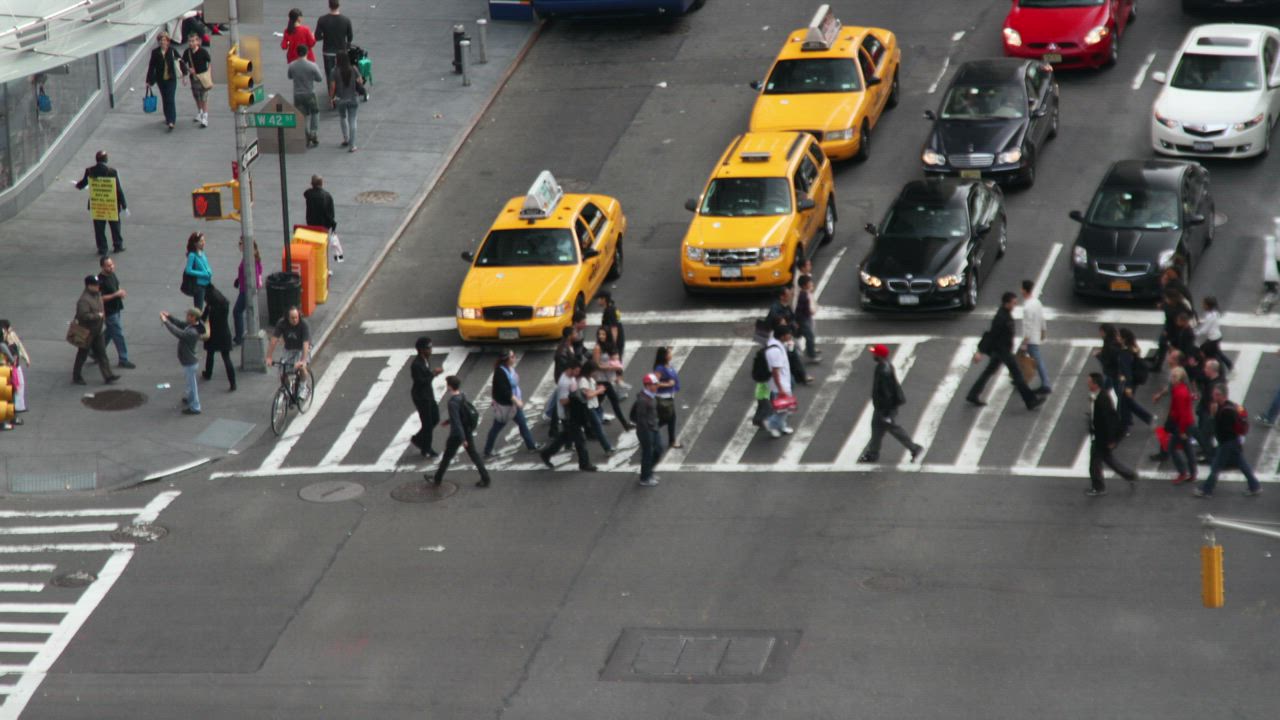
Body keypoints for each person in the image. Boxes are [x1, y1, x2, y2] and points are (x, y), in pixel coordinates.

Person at [967, 292, 1045, 411]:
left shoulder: (1005, 314)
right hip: (1003, 351)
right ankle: (1031, 400)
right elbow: (991, 335)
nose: (1015, 305)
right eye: (1013, 303)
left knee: (988, 372)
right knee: (1018, 375)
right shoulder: (1001, 317)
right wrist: (980, 351)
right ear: (1007, 303)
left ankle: (973, 394)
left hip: (1001, 351)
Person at [1195, 384, 1262, 498]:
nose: (1213, 397)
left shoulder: (1226, 411)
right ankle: (1254, 485)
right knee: (1241, 464)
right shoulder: (1229, 406)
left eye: (1216, 394)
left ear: (1222, 395)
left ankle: (1207, 489)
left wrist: (1213, 415)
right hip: (1233, 442)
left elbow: (1221, 429)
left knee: (1216, 467)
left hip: (1227, 443)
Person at [859, 344, 924, 463]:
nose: (872, 354)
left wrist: (886, 413)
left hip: (885, 408)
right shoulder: (884, 366)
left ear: (879, 355)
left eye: (874, 353)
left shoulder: (883, 370)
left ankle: (914, 448)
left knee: (893, 428)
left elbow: (886, 394)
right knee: (876, 428)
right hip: (882, 407)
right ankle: (872, 454)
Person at [431, 376, 492, 488]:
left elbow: (457, 421)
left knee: (447, 456)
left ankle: (437, 479)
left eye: (447, 384)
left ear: (449, 386)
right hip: (467, 430)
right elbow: (462, 414)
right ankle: (485, 477)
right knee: (473, 454)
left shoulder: (452, 402)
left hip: (457, 435)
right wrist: (449, 421)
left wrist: (462, 438)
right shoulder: (462, 395)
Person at [1084, 372, 1136, 496]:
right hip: (1101, 437)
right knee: (1108, 460)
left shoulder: (1102, 400)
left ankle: (1099, 487)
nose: (1087, 383)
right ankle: (1130, 475)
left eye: (1090, 382)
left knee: (1094, 464)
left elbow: (1109, 422)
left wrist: (1112, 440)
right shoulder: (1099, 396)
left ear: (1095, 384)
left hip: (1102, 438)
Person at [539, 360, 596, 471]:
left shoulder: (570, 377)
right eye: (577, 371)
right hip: (569, 415)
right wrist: (577, 398)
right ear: (570, 369)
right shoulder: (565, 383)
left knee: (565, 437)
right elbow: (563, 401)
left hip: (573, 413)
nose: (578, 373)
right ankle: (584, 464)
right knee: (580, 440)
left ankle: (546, 453)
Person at [483, 349, 539, 457]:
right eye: (512, 356)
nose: (514, 358)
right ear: (507, 360)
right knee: (497, 427)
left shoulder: (508, 369)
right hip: (506, 406)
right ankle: (487, 450)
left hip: (512, 404)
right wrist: (517, 401)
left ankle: (531, 446)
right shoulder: (500, 373)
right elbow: (505, 391)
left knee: (522, 424)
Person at [74, 151, 127, 256]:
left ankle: (102, 248)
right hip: (111, 203)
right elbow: (118, 189)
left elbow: (83, 184)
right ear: (105, 159)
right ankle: (117, 245)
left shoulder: (89, 170)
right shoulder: (112, 171)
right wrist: (124, 203)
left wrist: (77, 185)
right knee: (115, 225)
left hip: (97, 204)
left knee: (99, 228)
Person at [72, 276, 119, 386]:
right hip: (87, 332)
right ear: (89, 286)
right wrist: (97, 316)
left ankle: (108, 375)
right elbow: (83, 316)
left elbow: (101, 305)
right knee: (82, 355)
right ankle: (76, 376)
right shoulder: (83, 301)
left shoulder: (97, 294)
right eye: (96, 285)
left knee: (102, 354)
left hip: (98, 331)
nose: (99, 286)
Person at [160, 308, 204, 415]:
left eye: (189, 315)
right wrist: (169, 316)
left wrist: (165, 321)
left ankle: (195, 407)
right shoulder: (193, 326)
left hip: (189, 361)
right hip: (189, 360)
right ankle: (189, 398)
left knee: (192, 385)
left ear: (193, 317)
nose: (186, 317)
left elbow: (177, 332)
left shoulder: (192, 332)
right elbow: (180, 324)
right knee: (190, 382)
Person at [96, 256, 134, 370]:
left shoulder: (112, 274)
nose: (111, 267)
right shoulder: (100, 280)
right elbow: (100, 298)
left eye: (112, 264)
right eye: (108, 265)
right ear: (102, 267)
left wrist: (120, 292)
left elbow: (116, 286)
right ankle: (123, 358)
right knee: (118, 334)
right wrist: (116, 295)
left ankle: (95, 351)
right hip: (109, 311)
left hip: (116, 308)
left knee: (110, 331)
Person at [590, 326, 632, 428]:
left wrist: (616, 367)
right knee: (613, 402)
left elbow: (614, 359)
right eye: (599, 334)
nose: (601, 336)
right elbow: (596, 365)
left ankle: (591, 422)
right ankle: (625, 424)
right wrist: (610, 368)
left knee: (596, 403)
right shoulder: (597, 348)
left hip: (607, 378)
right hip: (601, 379)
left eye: (603, 334)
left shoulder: (608, 346)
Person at [408, 336, 441, 458]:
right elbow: (421, 382)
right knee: (427, 424)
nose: (431, 350)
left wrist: (432, 374)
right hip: (421, 397)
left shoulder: (425, 360)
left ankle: (418, 439)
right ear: (422, 350)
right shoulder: (416, 365)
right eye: (428, 348)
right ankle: (426, 448)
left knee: (435, 418)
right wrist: (433, 374)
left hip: (428, 395)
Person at [1164, 366, 1198, 485]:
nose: (1172, 379)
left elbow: (1183, 414)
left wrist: (1182, 431)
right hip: (1186, 423)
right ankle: (1192, 473)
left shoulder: (1179, 392)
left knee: (1172, 448)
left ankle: (1183, 472)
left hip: (1183, 425)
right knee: (1187, 448)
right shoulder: (1181, 389)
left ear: (1180, 378)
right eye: (1172, 376)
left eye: (1174, 377)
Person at [1115, 328, 1152, 432]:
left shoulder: (1125, 353)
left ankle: (1147, 419)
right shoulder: (1132, 348)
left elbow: (1127, 371)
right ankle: (1126, 422)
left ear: (1124, 339)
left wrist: (1128, 387)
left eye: (1118, 336)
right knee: (1125, 403)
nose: (1117, 338)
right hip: (1133, 380)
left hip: (1128, 382)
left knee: (1126, 403)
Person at [264, 306, 311, 387]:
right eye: (292, 318)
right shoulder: (281, 323)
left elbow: (305, 344)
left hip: (301, 349)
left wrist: (303, 361)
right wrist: (269, 357)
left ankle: (303, 387)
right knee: (282, 372)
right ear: (287, 318)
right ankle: (287, 389)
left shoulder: (303, 325)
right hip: (288, 349)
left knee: (301, 367)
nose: (295, 320)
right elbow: (274, 340)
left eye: (296, 317)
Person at [288, 44, 325, 148]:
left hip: (297, 94)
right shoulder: (312, 65)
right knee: (315, 112)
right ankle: (313, 132)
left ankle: (306, 134)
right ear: (307, 52)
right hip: (310, 93)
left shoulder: (292, 65)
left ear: (297, 53)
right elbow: (319, 78)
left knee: (301, 116)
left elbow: (289, 76)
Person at [200, 287, 236, 391]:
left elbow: (203, 318)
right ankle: (233, 383)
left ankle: (208, 373)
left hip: (213, 335)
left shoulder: (210, 307)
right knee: (226, 358)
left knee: (210, 354)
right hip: (225, 334)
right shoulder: (225, 305)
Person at [1018, 279, 1050, 394]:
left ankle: (1045, 383)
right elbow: (1042, 319)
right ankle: (1018, 379)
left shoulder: (1027, 307)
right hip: (1036, 337)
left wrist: (1024, 343)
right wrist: (1043, 332)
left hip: (1030, 340)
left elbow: (1028, 326)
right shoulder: (1037, 302)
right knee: (1019, 358)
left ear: (1023, 290)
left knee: (1037, 360)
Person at [145, 32, 181, 130]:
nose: (163, 42)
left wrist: (184, 75)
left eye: (164, 40)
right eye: (161, 40)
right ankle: (167, 117)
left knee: (170, 99)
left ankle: (171, 120)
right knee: (165, 98)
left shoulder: (172, 51)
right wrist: (149, 80)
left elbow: (180, 61)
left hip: (171, 79)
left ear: (168, 41)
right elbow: (151, 67)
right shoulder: (155, 52)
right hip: (161, 80)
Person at [763, 326, 795, 438]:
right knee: (783, 408)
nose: (790, 336)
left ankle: (781, 426)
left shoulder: (775, 343)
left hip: (783, 381)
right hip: (781, 384)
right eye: (788, 334)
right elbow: (775, 372)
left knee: (784, 407)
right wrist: (781, 389)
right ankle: (771, 424)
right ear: (782, 336)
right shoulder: (775, 351)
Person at [329, 52, 365, 152]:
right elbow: (360, 81)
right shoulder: (353, 69)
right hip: (353, 98)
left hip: (340, 99)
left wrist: (331, 98)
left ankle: (346, 138)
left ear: (337, 60)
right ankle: (352, 145)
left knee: (342, 117)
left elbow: (332, 86)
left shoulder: (334, 71)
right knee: (353, 121)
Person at [314, 0, 354, 85]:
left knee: (329, 74)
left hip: (328, 51)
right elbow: (350, 36)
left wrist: (325, 36)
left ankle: (331, 94)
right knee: (343, 72)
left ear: (329, 6)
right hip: (342, 51)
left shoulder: (322, 19)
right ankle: (342, 91)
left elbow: (317, 36)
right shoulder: (346, 20)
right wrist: (347, 45)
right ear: (338, 5)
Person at [579, 360, 615, 453]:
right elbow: (588, 395)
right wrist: (598, 391)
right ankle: (607, 448)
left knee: (597, 425)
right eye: (594, 371)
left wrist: (598, 389)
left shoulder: (590, 379)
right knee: (598, 427)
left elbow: (592, 391)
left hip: (595, 405)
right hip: (589, 407)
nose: (596, 373)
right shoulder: (583, 380)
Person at [1193, 359, 1225, 462]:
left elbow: (1214, 404)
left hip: (1209, 413)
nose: (1204, 370)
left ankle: (1209, 456)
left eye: (1206, 368)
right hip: (1205, 410)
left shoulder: (1214, 385)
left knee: (1206, 435)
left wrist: (1212, 417)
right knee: (1204, 433)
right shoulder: (1214, 380)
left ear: (1212, 370)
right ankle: (1206, 451)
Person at [232, 239, 262, 346]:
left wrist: (254, 288)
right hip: (244, 288)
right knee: (240, 311)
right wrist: (238, 280)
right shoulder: (249, 257)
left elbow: (256, 275)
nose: (239, 245)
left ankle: (239, 337)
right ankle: (241, 334)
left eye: (241, 243)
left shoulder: (250, 259)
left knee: (237, 311)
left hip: (246, 290)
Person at [633, 373, 661, 487]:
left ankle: (649, 471)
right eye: (655, 384)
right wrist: (648, 431)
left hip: (653, 428)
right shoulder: (643, 400)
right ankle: (645, 478)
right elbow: (641, 418)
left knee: (658, 449)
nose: (657, 386)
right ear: (648, 385)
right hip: (646, 431)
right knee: (647, 453)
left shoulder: (651, 396)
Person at [180, 33, 212, 128]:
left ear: (198, 41)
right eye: (190, 41)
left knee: (204, 97)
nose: (192, 43)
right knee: (196, 96)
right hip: (193, 78)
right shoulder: (187, 52)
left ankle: (205, 116)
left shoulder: (203, 52)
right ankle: (200, 112)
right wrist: (185, 74)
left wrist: (209, 72)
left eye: (194, 40)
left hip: (203, 78)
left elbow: (210, 61)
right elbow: (183, 63)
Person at [653, 346, 682, 449]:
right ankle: (650, 432)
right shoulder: (660, 368)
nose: (671, 354)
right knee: (669, 419)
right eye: (669, 353)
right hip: (663, 398)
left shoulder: (667, 365)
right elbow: (654, 384)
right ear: (665, 356)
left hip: (669, 397)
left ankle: (651, 431)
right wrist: (668, 384)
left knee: (669, 419)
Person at [0, 320, 30, 415]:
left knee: (16, 385)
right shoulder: (6, 337)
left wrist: (25, 358)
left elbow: (18, 347)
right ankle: (15, 409)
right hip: (9, 366)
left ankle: (17, 407)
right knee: (14, 386)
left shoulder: (9, 335)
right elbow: (15, 348)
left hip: (10, 365)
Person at [1195, 296, 1232, 372]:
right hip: (1216, 337)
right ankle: (1229, 366)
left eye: (1204, 304)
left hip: (1213, 338)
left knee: (1203, 351)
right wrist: (1201, 321)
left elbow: (1205, 329)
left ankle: (1219, 369)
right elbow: (1209, 323)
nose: (1202, 305)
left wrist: (1194, 332)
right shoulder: (1215, 313)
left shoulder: (1210, 316)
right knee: (1217, 353)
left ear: (1208, 305)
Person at [794, 274, 821, 364]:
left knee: (802, 335)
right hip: (803, 319)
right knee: (809, 337)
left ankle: (809, 350)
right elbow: (799, 310)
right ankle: (811, 355)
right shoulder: (803, 296)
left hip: (806, 318)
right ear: (805, 285)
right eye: (809, 283)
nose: (811, 284)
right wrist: (798, 321)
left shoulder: (806, 293)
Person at [184, 232, 214, 309]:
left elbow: (205, 264)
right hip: (199, 285)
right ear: (195, 243)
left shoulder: (202, 252)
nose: (203, 242)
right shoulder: (192, 255)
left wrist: (209, 271)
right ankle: (199, 320)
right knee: (199, 308)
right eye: (201, 241)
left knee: (212, 304)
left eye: (204, 240)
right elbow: (188, 270)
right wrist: (203, 273)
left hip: (207, 283)